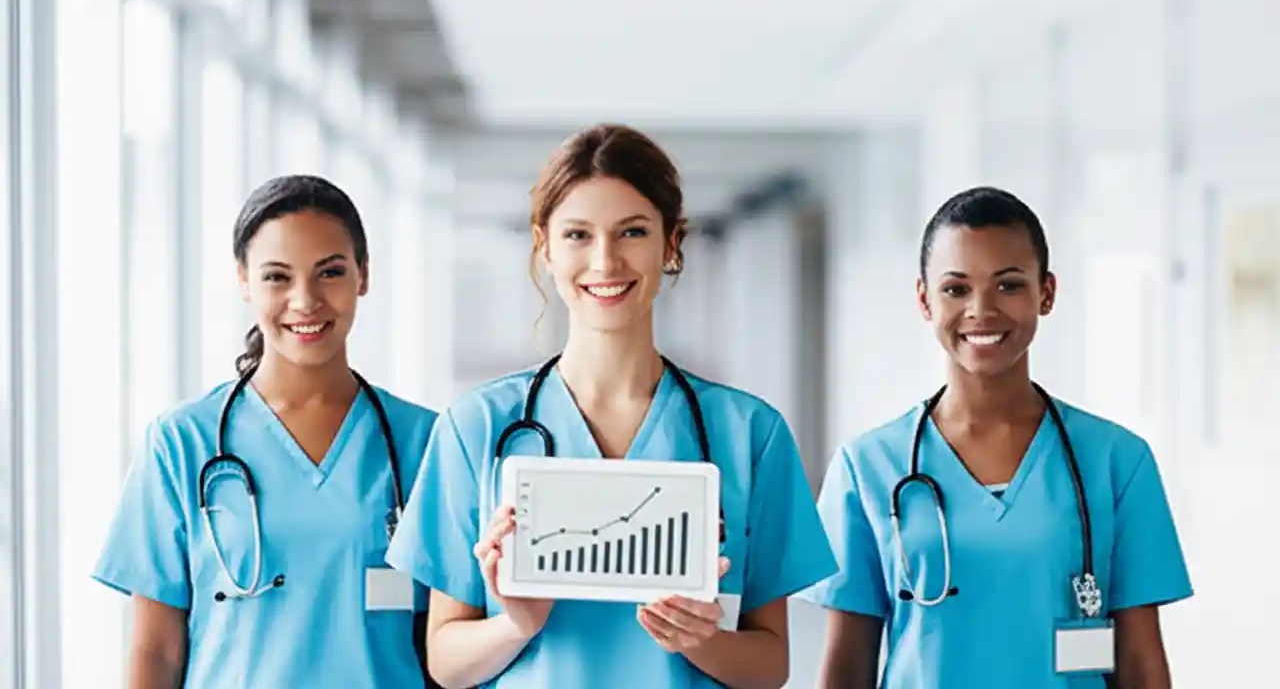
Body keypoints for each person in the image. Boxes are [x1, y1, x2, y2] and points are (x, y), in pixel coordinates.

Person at [386, 123, 837, 688]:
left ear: (671, 244)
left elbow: (771, 667)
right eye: (578, 235)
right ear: (544, 246)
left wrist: (704, 642)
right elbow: (446, 664)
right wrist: (516, 624)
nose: (605, 261)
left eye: (632, 232)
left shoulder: (750, 433)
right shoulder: (476, 427)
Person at [800, 186, 1193, 688]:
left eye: (1008, 285)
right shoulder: (868, 466)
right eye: (955, 289)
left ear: (1045, 292)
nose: (981, 309)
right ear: (924, 299)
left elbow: (1139, 664)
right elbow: (846, 668)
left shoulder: (1117, 461)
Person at [92, 175, 439, 688]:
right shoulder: (182, 443)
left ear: (363, 276)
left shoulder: (424, 442)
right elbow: (157, 649)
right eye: (278, 276)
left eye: (331, 272)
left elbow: (449, 642)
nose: (305, 300)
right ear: (244, 281)